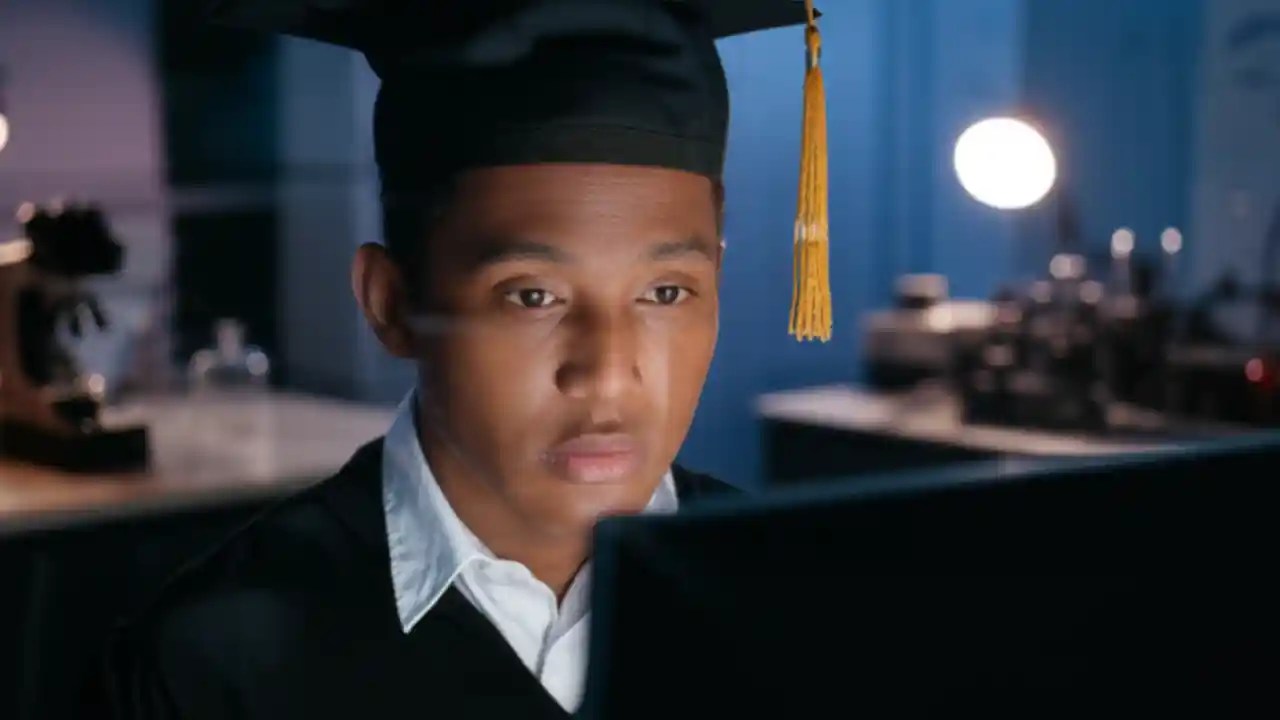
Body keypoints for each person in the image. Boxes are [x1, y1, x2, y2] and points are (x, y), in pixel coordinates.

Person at [106, 0, 828, 717]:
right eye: (533, 296)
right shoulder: (213, 664)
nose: (608, 371)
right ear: (392, 303)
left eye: (665, 292)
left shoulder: (800, 601)